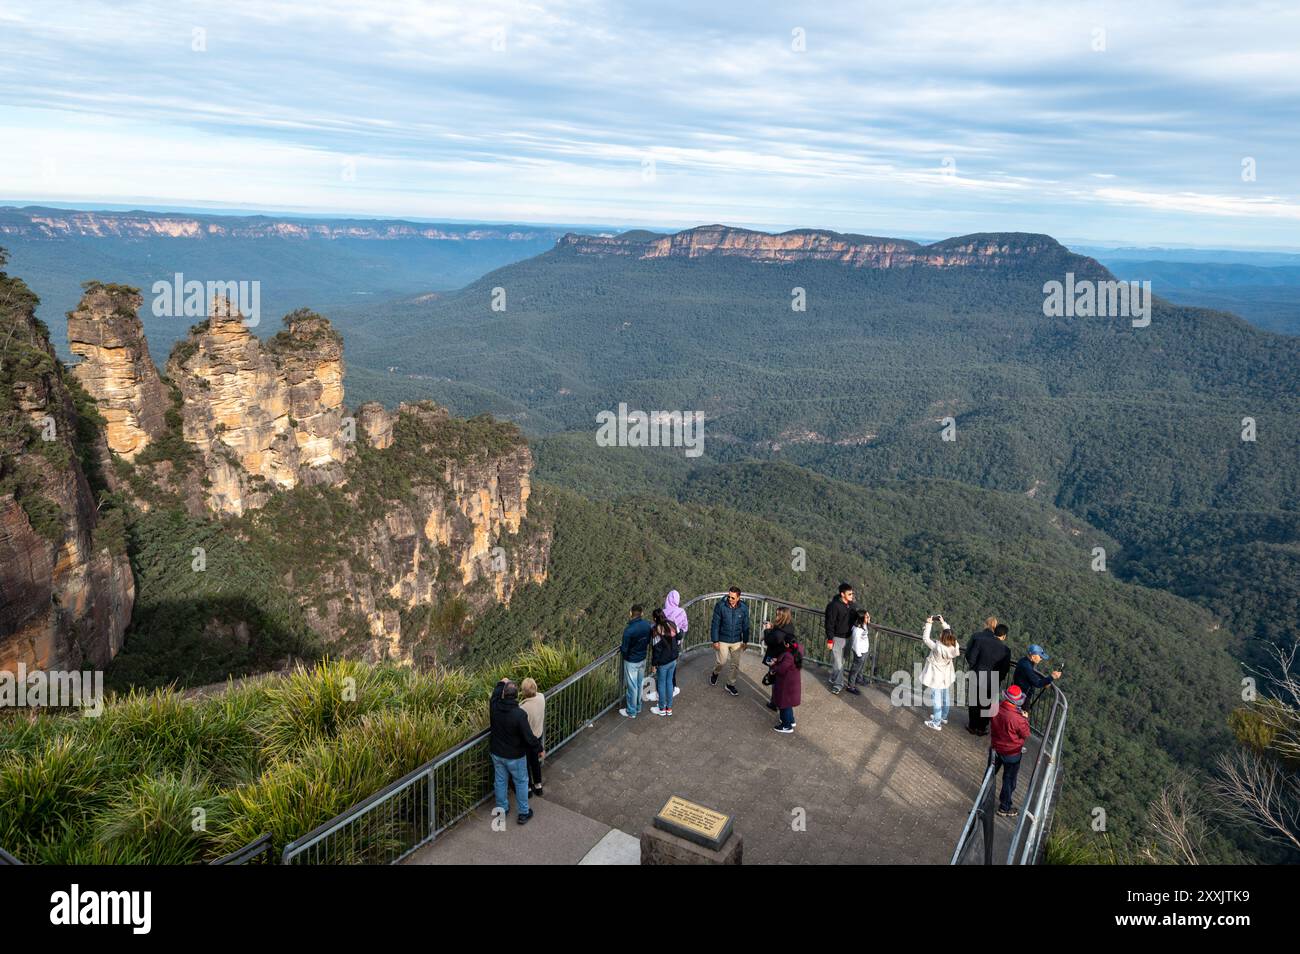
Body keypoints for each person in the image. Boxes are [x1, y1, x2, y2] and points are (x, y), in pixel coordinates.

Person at [489, 678, 543, 824]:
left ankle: (502, 809)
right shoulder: (519, 714)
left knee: (500, 781)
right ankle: (524, 813)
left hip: (497, 753)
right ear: (516, 695)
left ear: (503, 695)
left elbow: (494, 696)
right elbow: (529, 737)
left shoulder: (494, 708)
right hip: (515, 756)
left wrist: (501, 683)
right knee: (521, 782)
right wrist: (539, 748)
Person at [989, 684, 1031, 817]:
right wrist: (1025, 718)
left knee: (990, 774)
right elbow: (1025, 734)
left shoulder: (995, 707)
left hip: (995, 747)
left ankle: (984, 797)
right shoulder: (1018, 718)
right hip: (1012, 753)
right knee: (1009, 779)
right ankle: (1005, 806)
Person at [965, 622, 1011, 736]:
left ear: (994, 631)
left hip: (976, 675)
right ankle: (981, 728)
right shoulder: (1006, 650)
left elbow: (971, 659)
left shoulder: (981, 641)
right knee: (986, 705)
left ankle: (972, 726)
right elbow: (1005, 669)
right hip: (993, 680)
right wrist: (998, 679)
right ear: (1004, 636)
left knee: (974, 702)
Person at [920, 613, 961, 730]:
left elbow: (926, 639)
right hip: (946, 674)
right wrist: (943, 623)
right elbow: (950, 634)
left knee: (936, 698)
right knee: (945, 696)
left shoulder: (938, 648)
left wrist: (928, 624)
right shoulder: (954, 647)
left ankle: (936, 722)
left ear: (942, 637)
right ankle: (943, 716)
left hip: (936, 675)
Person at [709, 586, 750, 696]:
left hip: (737, 640)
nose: (730, 599)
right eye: (729, 597)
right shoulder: (720, 606)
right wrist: (715, 640)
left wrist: (745, 641)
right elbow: (715, 624)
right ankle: (715, 673)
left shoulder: (744, 608)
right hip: (723, 638)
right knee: (722, 662)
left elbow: (746, 625)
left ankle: (730, 684)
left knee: (735, 664)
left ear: (738, 598)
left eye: (732, 597)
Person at [762, 607, 798, 711]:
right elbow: (780, 631)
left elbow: (769, 640)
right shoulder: (789, 627)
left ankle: (775, 703)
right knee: (779, 680)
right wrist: (773, 627)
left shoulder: (778, 634)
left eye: (778, 615)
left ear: (782, 617)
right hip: (784, 657)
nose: (776, 616)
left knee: (774, 679)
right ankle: (775, 701)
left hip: (775, 657)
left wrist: (767, 630)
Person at [824, 582, 857, 694]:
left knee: (842, 660)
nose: (852, 595)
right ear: (842, 594)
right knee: (838, 662)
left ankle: (834, 677)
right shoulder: (834, 606)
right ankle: (838, 684)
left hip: (849, 637)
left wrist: (865, 617)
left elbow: (856, 618)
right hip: (837, 638)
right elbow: (829, 623)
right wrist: (829, 639)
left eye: (852, 593)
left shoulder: (852, 605)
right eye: (849, 594)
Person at [620, 604, 652, 718]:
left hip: (631, 661)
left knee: (632, 687)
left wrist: (626, 656)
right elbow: (648, 640)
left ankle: (631, 711)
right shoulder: (647, 625)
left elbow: (624, 649)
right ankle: (638, 707)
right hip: (642, 658)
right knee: (639, 683)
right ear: (642, 613)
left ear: (630, 613)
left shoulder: (629, 630)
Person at [768, 630, 802, 734]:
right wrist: (778, 661)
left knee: (783, 704)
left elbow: (782, 669)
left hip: (786, 684)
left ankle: (786, 726)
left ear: (787, 644)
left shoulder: (788, 655)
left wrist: (773, 665)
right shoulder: (798, 651)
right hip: (793, 683)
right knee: (789, 703)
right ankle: (791, 720)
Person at [1011, 644, 1062, 709]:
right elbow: (1037, 683)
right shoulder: (1027, 667)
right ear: (1033, 656)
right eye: (1040, 657)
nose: (1041, 659)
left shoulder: (1024, 660)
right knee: (1022, 716)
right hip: (1021, 697)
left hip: (1016, 692)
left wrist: (1045, 681)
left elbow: (1030, 676)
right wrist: (1052, 677)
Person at [649, 608, 679, 717]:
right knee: (669, 682)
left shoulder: (657, 630)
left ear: (655, 618)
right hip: (673, 659)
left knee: (661, 684)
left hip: (663, 662)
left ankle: (661, 708)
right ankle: (669, 708)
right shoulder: (671, 624)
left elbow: (656, 650)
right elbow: (679, 636)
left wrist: (654, 664)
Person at [519, 677, 546, 796]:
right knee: (535, 762)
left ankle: (528, 788)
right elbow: (538, 693)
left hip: (527, 740)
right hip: (538, 736)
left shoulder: (523, 708)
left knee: (525, 765)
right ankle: (538, 785)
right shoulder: (541, 698)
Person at [662, 590, 688, 699]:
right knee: (672, 666)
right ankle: (672, 687)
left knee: (663, 667)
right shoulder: (681, 612)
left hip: (663, 643)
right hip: (675, 644)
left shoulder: (663, 613)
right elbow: (685, 627)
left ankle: (664, 691)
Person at [844, 609, 871, 695]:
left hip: (864, 651)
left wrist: (868, 620)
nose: (869, 617)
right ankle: (850, 686)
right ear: (862, 618)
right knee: (855, 669)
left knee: (860, 668)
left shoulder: (864, 625)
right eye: (867, 616)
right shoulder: (857, 630)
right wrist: (859, 654)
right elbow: (855, 643)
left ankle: (858, 680)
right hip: (860, 652)